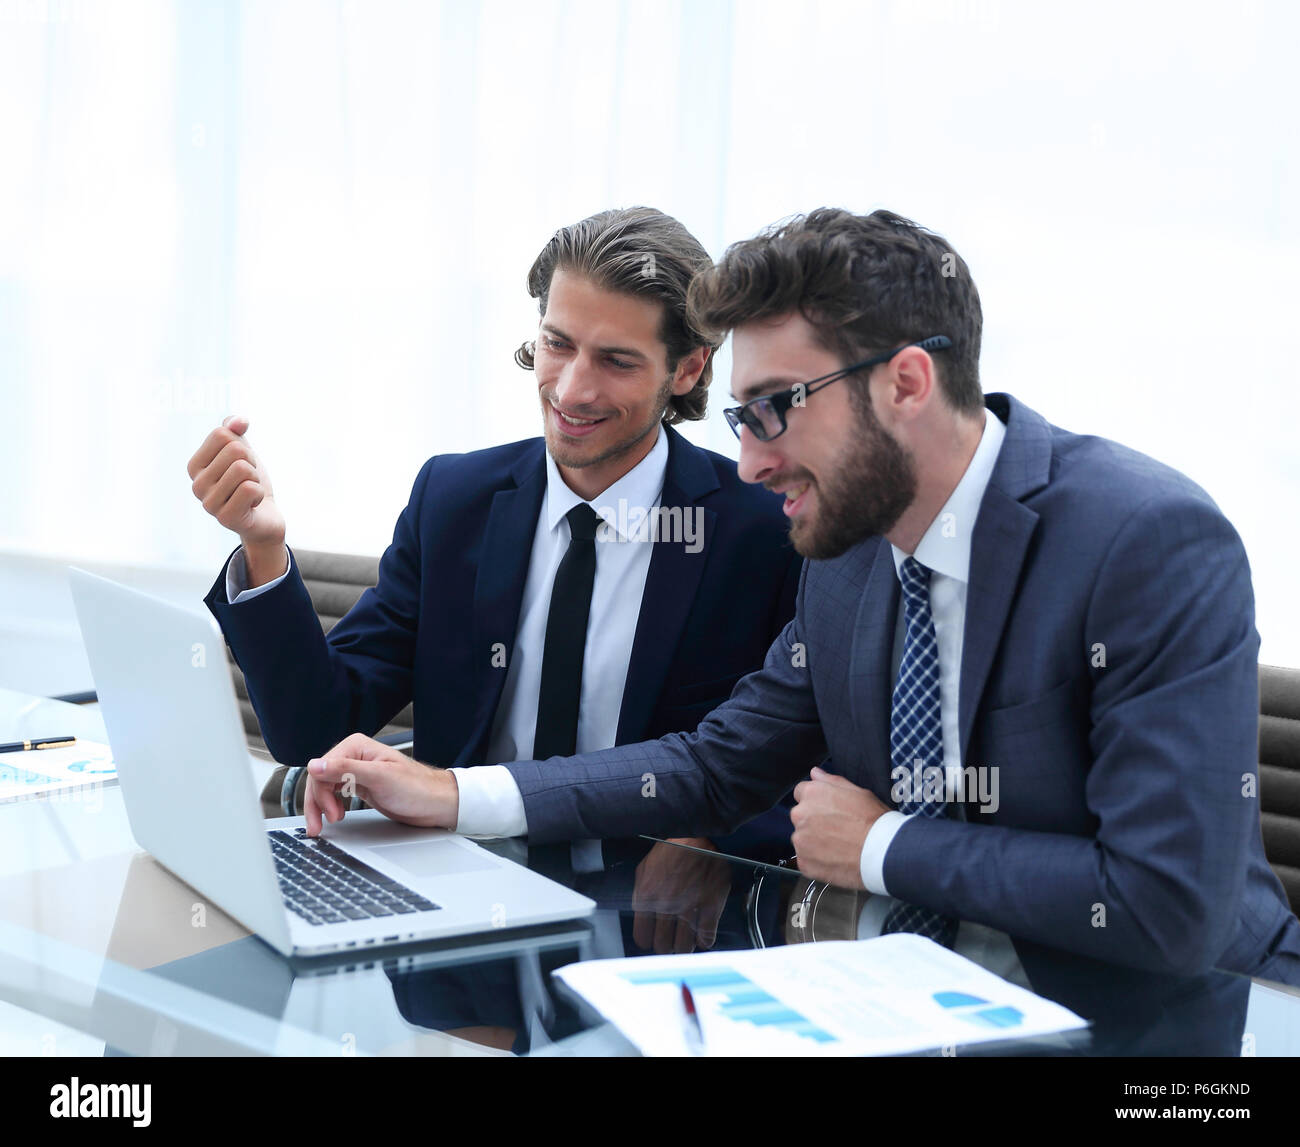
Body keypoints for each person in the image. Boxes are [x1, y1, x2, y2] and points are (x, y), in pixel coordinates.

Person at [301, 208, 1300, 1049]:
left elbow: (1166, 903)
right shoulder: (848, 549)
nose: (748, 464)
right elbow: (715, 764)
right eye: (739, 417)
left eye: (774, 409)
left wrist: (880, 847)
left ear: (905, 383)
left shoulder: (1145, 540)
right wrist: (455, 793)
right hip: (889, 1003)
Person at [186, 206, 803, 950]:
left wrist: (711, 836)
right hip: (459, 903)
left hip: (651, 923)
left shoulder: (763, 528)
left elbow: (808, 750)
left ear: (690, 367)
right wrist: (263, 549)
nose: (572, 390)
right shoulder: (456, 499)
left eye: (616, 360)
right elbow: (314, 727)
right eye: (557, 344)